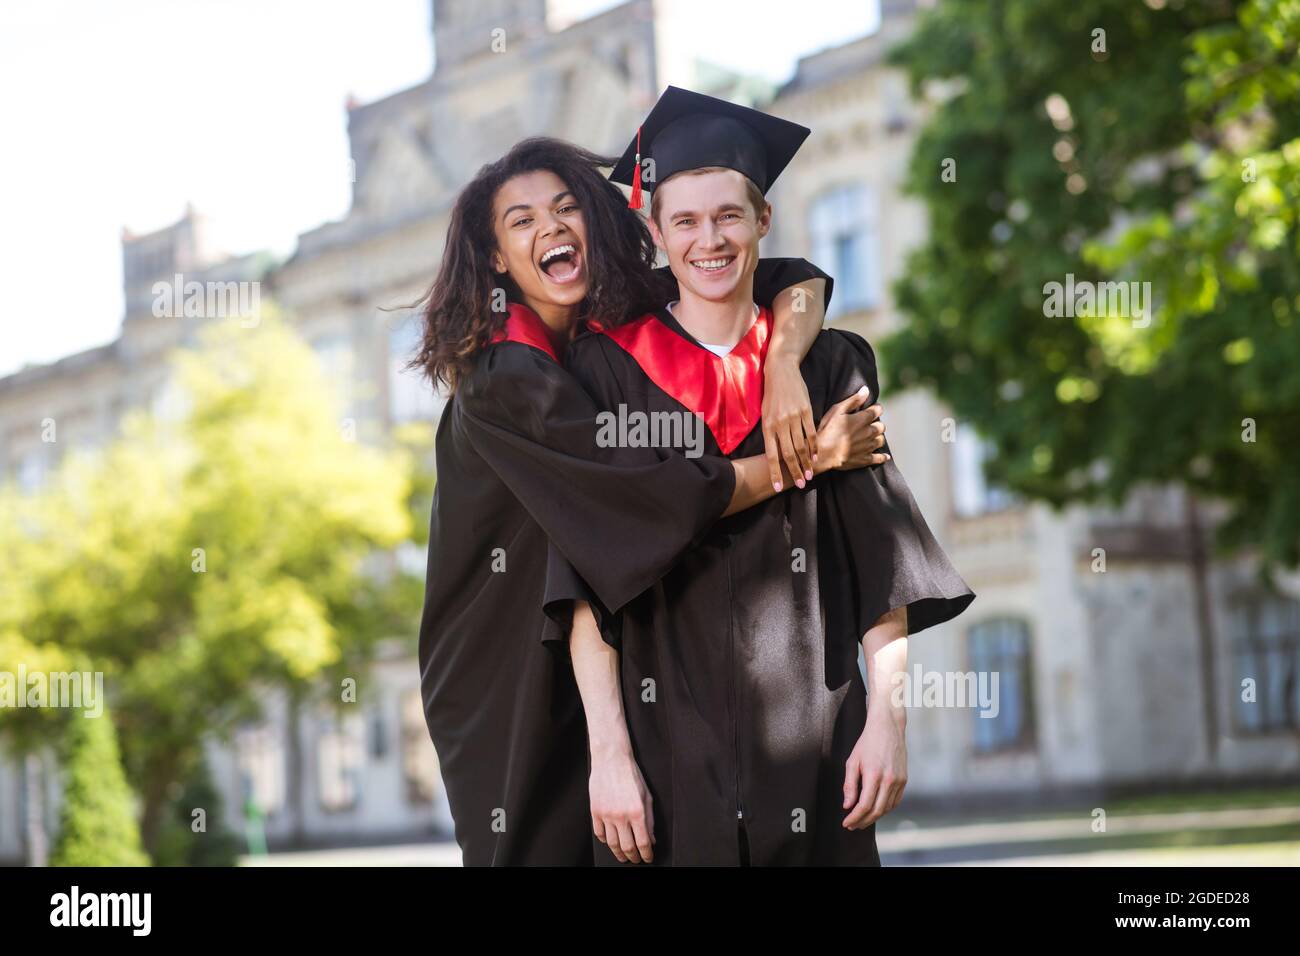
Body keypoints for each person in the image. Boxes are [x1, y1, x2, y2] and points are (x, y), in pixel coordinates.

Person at [409, 136, 891, 866]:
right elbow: (657, 498)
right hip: (508, 665)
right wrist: (808, 458)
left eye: (567, 208)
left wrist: (786, 361)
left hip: (599, 629)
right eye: (521, 221)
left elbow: (794, 280)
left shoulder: (613, 336)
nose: (551, 228)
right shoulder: (507, 379)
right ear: (498, 260)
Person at [548, 87, 976, 866]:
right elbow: (583, 589)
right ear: (657, 232)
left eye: (728, 216)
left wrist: (889, 720)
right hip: (662, 760)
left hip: (817, 756)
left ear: (762, 223)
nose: (708, 240)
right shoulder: (605, 372)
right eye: (684, 220)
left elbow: (882, 563)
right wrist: (608, 756)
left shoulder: (829, 363)